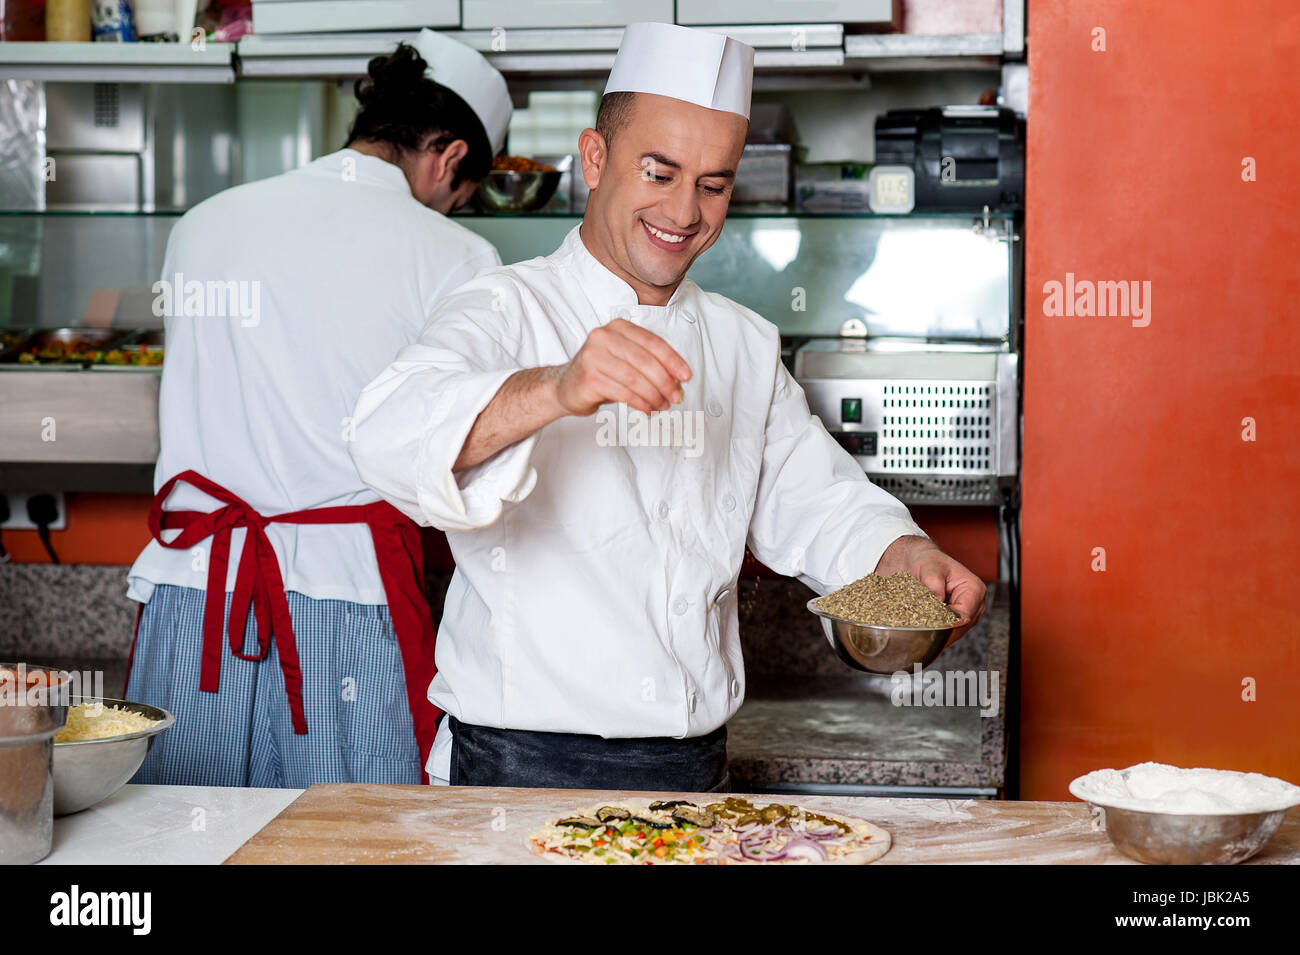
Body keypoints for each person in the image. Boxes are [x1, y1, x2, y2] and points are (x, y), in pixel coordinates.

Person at [349, 22, 987, 791]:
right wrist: (557, 387)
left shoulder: (742, 343)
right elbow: (387, 431)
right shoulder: (505, 307)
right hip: (520, 766)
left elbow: (819, 500)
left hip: (691, 765)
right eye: (659, 172)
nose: (684, 211)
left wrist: (901, 554)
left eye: (712, 184)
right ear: (594, 159)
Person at [124, 30, 512, 787]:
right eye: (460, 194)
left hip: (191, 598)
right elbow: (464, 449)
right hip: (347, 604)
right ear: (452, 158)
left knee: (176, 838)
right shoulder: (456, 254)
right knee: (352, 843)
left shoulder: (202, 224)